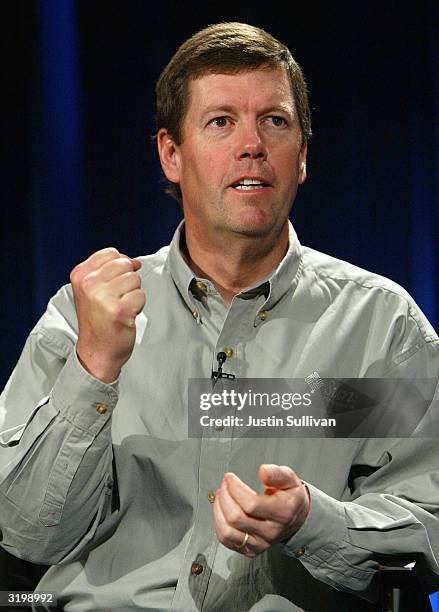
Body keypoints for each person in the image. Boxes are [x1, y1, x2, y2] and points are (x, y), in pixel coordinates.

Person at [1, 22, 438, 612]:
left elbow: (428, 523)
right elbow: (28, 534)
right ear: (171, 155)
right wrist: (94, 367)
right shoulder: (82, 316)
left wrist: (314, 521)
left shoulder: (378, 328)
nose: (252, 144)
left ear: (302, 157)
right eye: (221, 121)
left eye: (275, 122)